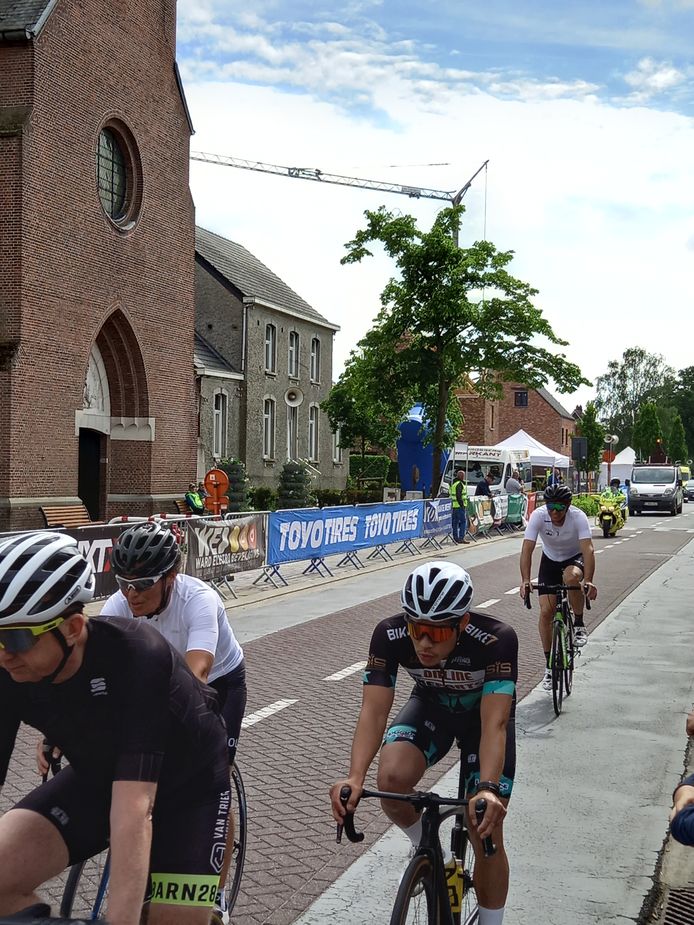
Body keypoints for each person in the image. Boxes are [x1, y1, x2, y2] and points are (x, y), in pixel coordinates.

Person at [0, 531, 230, 925]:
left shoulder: (139, 654)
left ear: (73, 628)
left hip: (189, 790)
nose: (4, 654)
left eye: (16, 638)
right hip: (99, 774)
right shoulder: (6, 667)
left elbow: (133, 810)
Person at [330, 561, 518, 925]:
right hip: (433, 708)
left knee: (485, 827)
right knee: (391, 781)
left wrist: (488, 788)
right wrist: (354, 777)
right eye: (416, 629)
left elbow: (495, 723)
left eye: (436, 632)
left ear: (462, 623)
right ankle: (427, 848)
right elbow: (373, 711)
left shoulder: (497, 639)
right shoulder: (389, 635)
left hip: (483, 719)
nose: (424, 642)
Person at [102, 521, 247, 925]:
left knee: (214, 777)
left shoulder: (199, 600)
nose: (132, 594)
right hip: (157, 681)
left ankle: (214, 891)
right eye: (124, 582)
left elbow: (197, 674)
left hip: (219, 683)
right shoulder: (119, 606)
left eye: (143, 583)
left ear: (171, 578)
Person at [519, 483, 598, 692]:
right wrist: (525, 580)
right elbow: (527, 550)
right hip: (550, 560)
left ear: (568, 505)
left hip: (574, 557)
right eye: (550, 506)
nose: (554, 512)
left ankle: (579, 623)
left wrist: (588, 580)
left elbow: (588, 550)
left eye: (560, 508)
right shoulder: (538, 515)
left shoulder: (577, 517)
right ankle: (549, 666)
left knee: (571, 577)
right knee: (546, 611)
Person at [451, 468, 469, 544]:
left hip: (454, 506)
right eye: (463, 476)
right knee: (463, 522)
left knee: (455, 523)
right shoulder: (459, 484)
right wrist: (462, 505)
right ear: (461, 476)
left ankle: (455, 538)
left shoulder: (454, 484)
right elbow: (459, 496)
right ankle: (461, 537)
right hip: (459, 506)